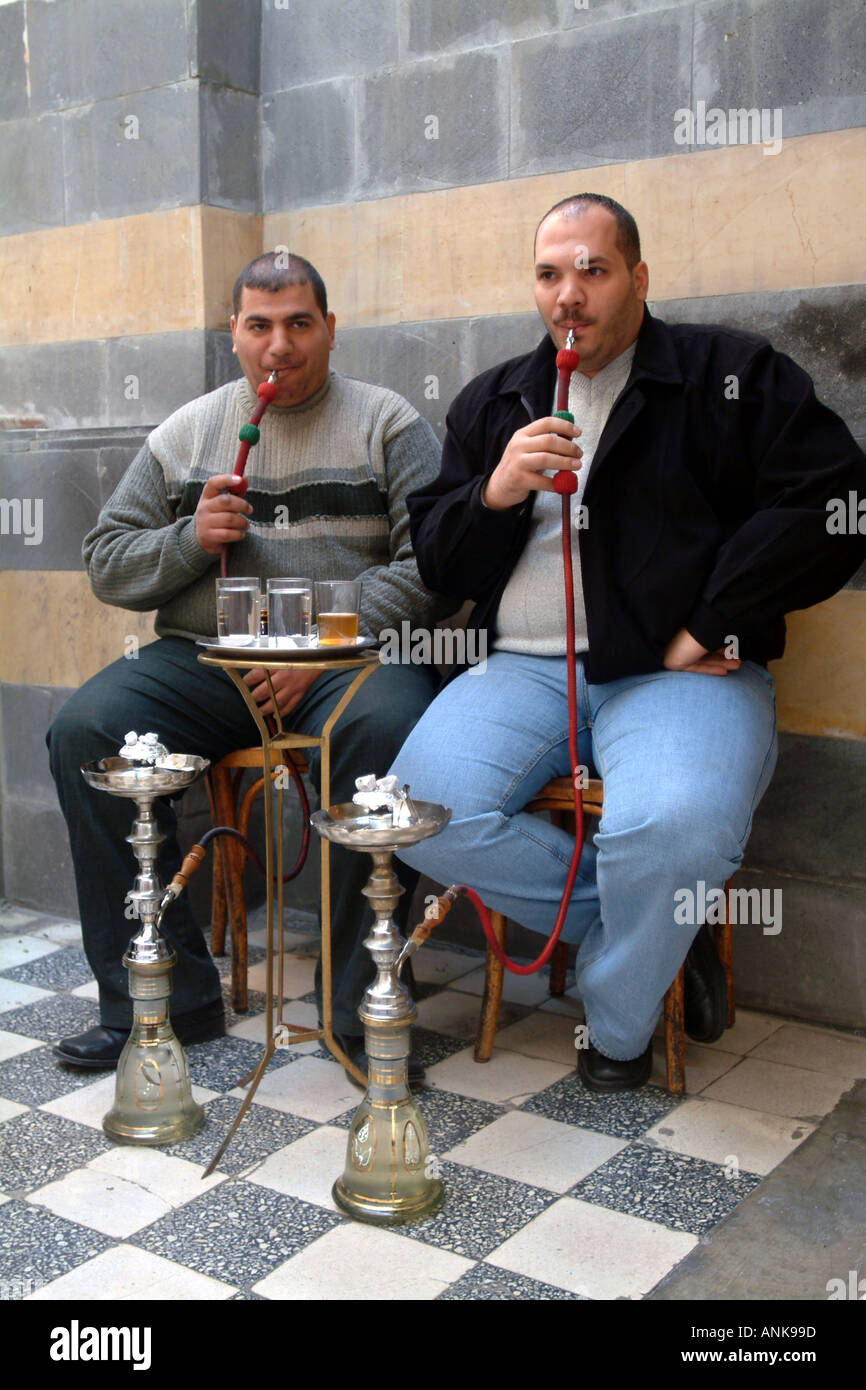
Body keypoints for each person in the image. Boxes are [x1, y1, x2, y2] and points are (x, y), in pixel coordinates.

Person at [390, 193, 866, 1091]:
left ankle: (615, 1030)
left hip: (675, 671)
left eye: (592, 271)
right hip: (524, 669)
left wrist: (711, 619)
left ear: (638, 279)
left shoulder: (731, 373)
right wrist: (492, 492)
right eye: (548, 274)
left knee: (678, 828)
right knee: (417, 809)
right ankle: (657, 934)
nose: (568, 296)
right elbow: (441, 564)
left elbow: (835, 504)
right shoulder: (497, 398)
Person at [48, 252, 449, 1077]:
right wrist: (189, 539)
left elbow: (435, 567)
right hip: (206, 660)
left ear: (330, 329)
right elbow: (108, 564)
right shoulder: (189, 431)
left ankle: (355, 1012)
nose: (280, 347)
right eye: (259, 326)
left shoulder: (389, 423)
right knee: (84, 731)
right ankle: (164, 999)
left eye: (299, 324)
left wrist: (324, 646)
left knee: (390, 731)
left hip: (347, 663)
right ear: (232, 332)